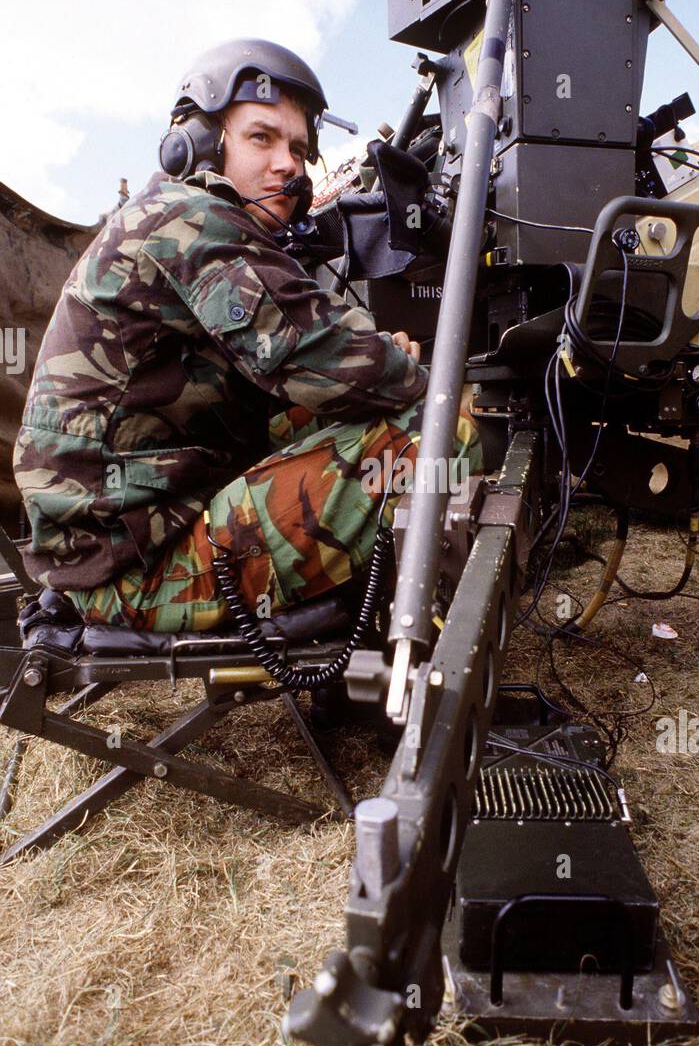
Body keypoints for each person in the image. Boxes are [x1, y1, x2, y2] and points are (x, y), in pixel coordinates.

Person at [13, 39, 481, 632]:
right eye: (262, 138)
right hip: (134, 570)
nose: (288, 164)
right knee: (438, 433)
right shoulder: (187, 220)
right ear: (203, 146)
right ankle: (403, 643)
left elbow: (314, 368)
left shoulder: (182, 219)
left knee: (323, 418)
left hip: (118, 535)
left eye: (299, 149)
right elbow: (318, 353)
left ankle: (357, 631)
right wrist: (406, 370)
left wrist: (374, 364)